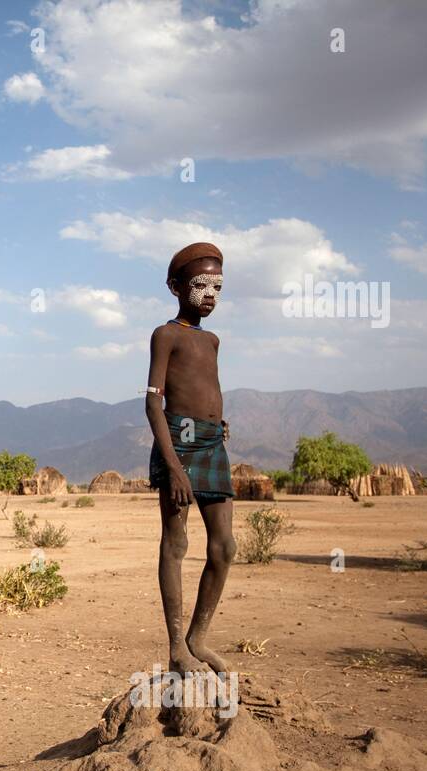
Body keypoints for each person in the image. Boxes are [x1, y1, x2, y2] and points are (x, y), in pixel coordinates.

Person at [144, 242, 235, 674]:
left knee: (225, 547)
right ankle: (177, 647)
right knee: (176, 543)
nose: (211, 294)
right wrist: (175, 468)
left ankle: (199, 636)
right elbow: (152, 405)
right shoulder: (166, 335)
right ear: (175, 287)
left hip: (212, 443)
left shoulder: (212, 340)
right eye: (201, 285)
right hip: (177, 443)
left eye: (217, 285)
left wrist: (218, 422)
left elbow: (204, 389)